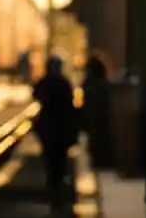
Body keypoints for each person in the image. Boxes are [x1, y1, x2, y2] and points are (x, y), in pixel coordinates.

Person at [32, 55, 78, 205]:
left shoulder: (45, 82)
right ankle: (58, 189)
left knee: (51, 160)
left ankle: (54, 188)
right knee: (60, 160)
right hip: (61, 128)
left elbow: (35, 95)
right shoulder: (64, 83)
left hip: (49, 128)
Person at [82, 50, 113, 170]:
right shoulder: (104, 85)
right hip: (102, 120)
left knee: (94, 144)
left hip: (92, 120)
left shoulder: (88, 84)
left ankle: (97, 163)